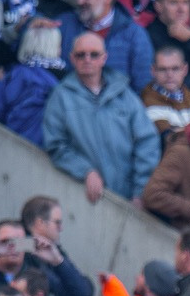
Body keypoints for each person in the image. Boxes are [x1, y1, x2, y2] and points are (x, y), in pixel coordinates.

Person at [41, 31, 161, 205]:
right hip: (87, 198)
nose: (87, 59)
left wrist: (140, 191)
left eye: (94, 54)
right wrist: (86, 171)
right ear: (72, 59)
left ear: (104, 58)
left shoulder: (125, 95)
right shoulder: (60, 97)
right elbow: (56, 145)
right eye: (81, 55)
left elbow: (147, 142)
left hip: (131, 198)